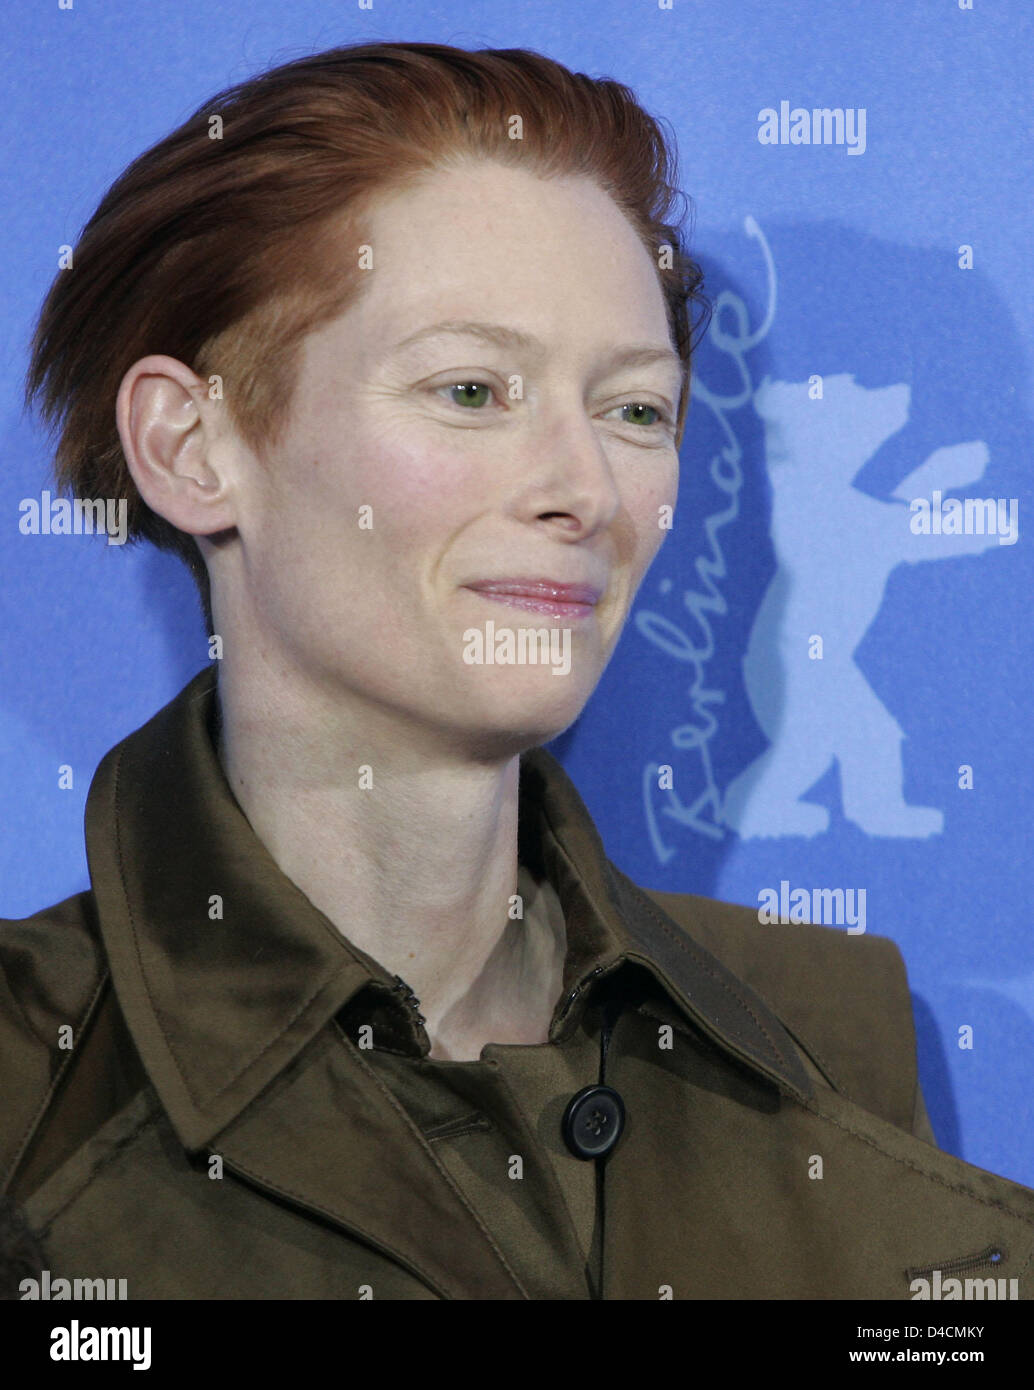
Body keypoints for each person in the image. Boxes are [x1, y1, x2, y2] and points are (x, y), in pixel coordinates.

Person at [3, 39, 1033, 1301]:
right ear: (193, 444)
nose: (586, 489)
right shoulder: (28, 1083)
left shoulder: (824, 1028)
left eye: (635, 410)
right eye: (473, 389)